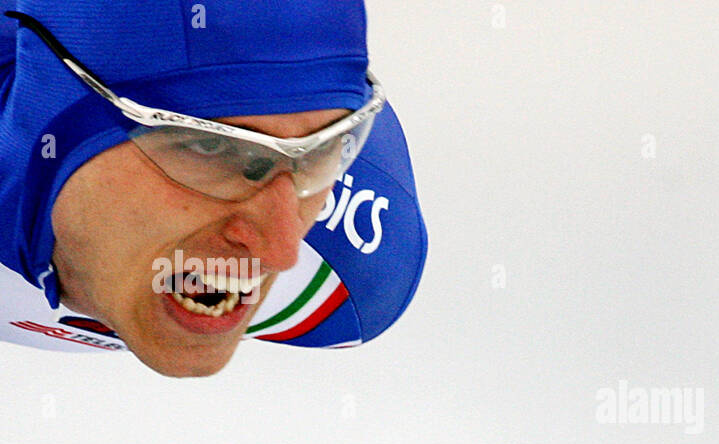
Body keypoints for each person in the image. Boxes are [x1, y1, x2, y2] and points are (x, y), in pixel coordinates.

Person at [0, 0, 426, 377]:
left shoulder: (351, 267)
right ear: (54, 124)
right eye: (212, 146)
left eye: (326, 147)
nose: (282, 251)